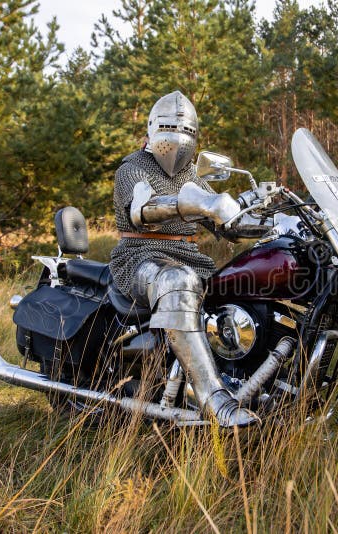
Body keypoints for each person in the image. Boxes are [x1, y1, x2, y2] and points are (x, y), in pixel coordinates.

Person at [109, 91, 259, 427]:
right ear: (152, 128)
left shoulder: (192, 175)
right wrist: (197, 201)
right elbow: (142, 208)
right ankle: (214, 400)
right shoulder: (132, 169)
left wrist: (262, 216)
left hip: (189, 257)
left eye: (187, 132)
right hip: (141, 257)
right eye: (169, 127)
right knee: (178, 281)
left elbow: (228, 225)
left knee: (242, 283)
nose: (178, 139)